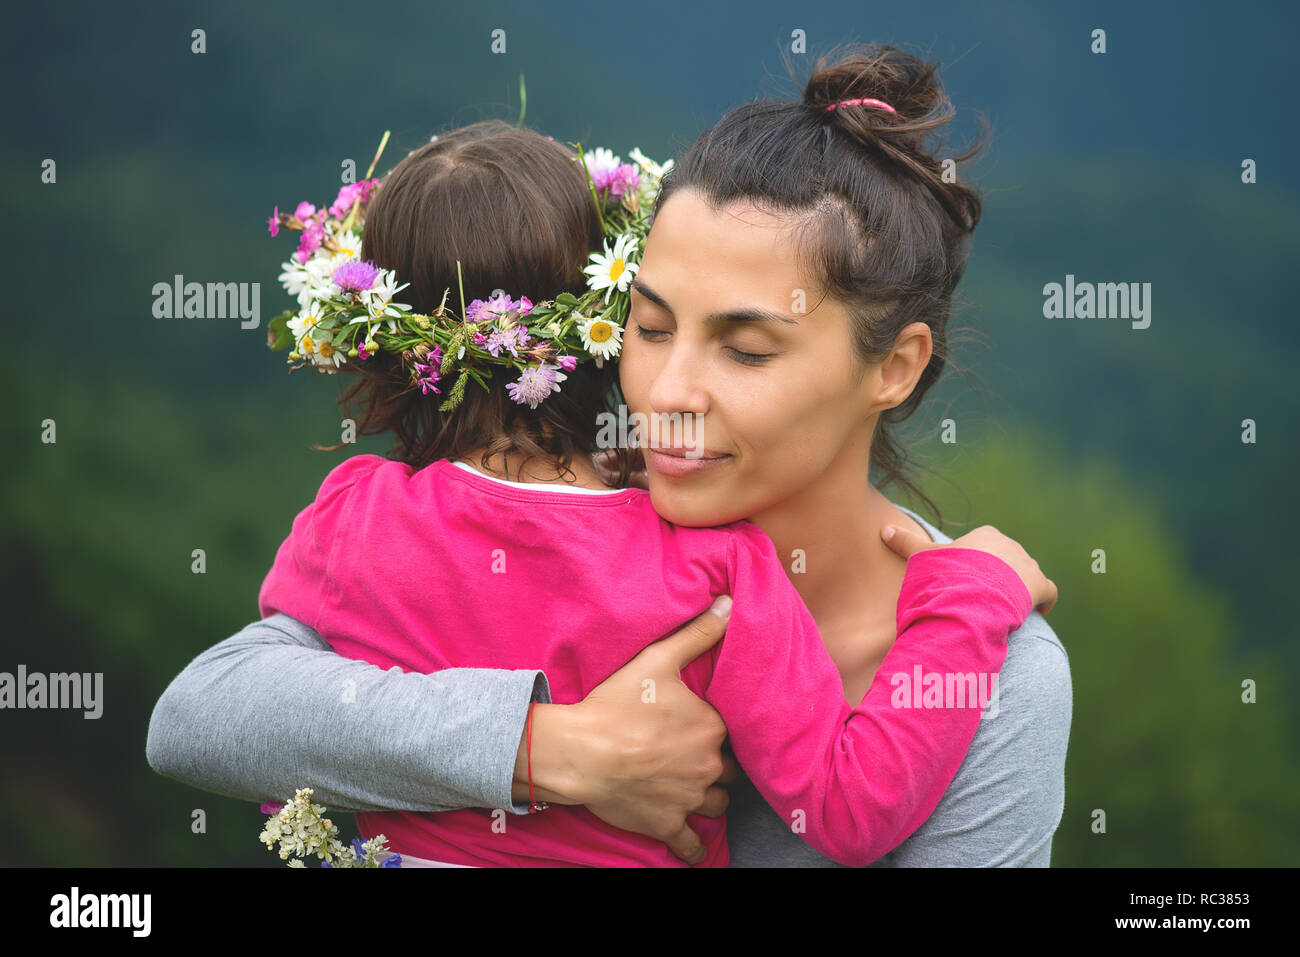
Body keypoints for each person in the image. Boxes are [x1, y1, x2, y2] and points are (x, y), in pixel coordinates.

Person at [147, 42, 1072, 866]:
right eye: (651, 327)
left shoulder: (997, 676)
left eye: (747, 350)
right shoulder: (536, 527)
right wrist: (561, 749)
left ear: (895, 368)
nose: (667, 395)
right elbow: (205, 712)